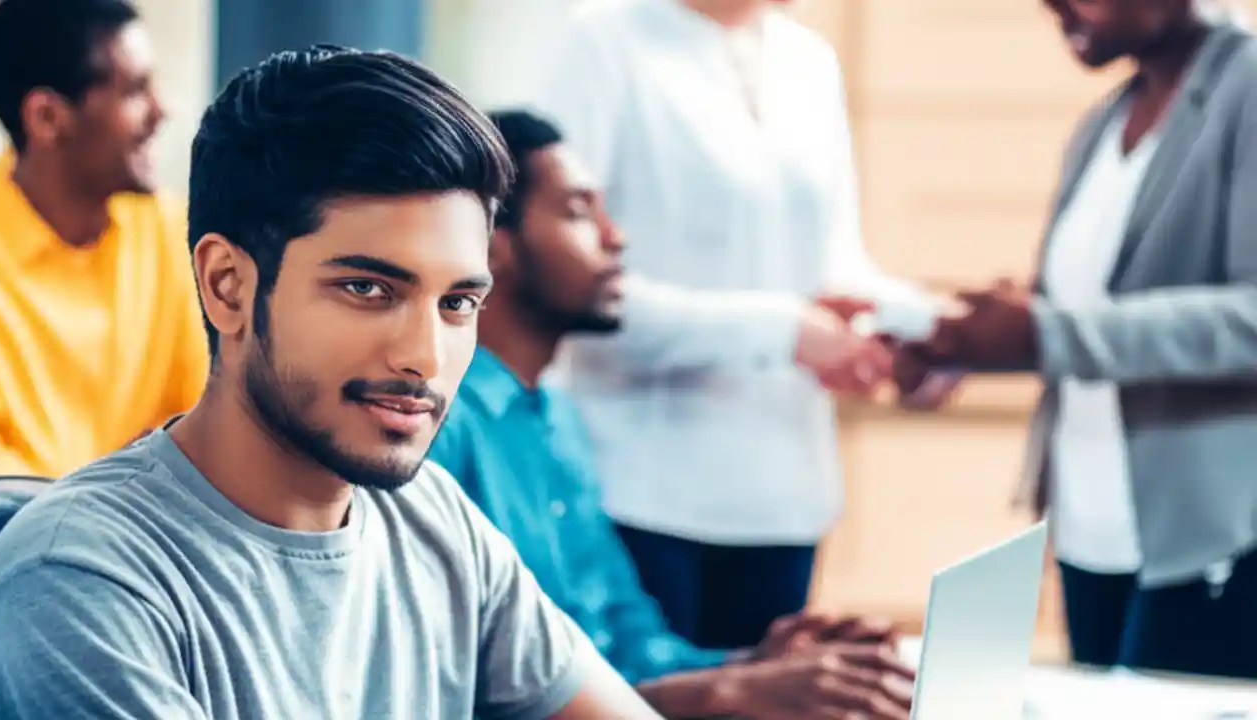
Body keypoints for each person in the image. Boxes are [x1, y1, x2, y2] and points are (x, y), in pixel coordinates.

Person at [0, 46, 660, 718]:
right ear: (227, 285)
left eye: (457, 302)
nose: (425, 357)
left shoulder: (434, 520)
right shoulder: (77, 578)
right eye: (368, 288)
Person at [429, 110, 915, 720]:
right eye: (579, 212)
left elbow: (635, 649)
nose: (616, 238)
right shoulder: (439, 427)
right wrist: (725, 692)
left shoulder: (559, 419)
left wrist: (760, 664)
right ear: (493, 246)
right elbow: (474, 692)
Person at [533, 0, 945, 648]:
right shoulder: (602, 41)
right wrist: (785, 331)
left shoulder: (808, 61)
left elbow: (835, 267)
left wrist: (935, 332)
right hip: (641, 488)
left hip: (785, 496)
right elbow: (572, 284)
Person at [899, 0, 1257, 679]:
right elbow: (1082, 309)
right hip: (1091, 529)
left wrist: (1043, 333)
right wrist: (962, 345)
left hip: (1212, 535)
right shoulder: (1105, 121)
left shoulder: (1248, 90)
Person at [0, 0, 209, 478]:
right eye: (135, 90)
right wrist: (115, 485)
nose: (162, 110)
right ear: (47, 117)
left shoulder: (172, 233)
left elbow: (215, 418)